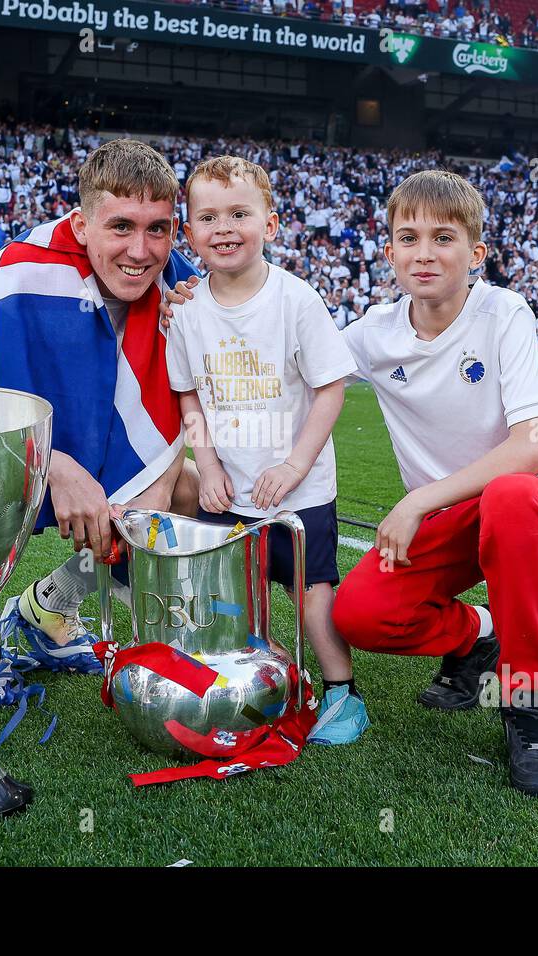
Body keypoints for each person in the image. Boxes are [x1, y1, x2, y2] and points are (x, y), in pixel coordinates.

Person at [330, 170, 538, 797]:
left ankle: (532, 708)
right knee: (359, 615)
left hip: (534, 509)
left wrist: (418, 497)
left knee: (511, 495)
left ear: (475, 254)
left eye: (443, 238)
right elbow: (292, 367)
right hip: (449, 525)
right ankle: (481, 634)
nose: (424, 253)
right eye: (407, 237)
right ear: (387, 251)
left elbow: (532, 448)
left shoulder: (503, 311)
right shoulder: (370, 334)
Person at [0, 138, 199, 673]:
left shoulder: (179, 283)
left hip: (108, 448)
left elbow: (184, 411)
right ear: (83, 227)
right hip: (29, 451)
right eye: (121, 227)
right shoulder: (21, 269)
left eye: (158, 228)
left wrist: (151, 497)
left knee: (191, 491)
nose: (141, 250)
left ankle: (52, 603)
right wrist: (52, 463)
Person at [162, 156, 366, 745]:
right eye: (208, 217)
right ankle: (257, 679)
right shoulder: (187, 311)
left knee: (311, 596)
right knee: (232, 601)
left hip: (297, 491)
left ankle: (341, 691)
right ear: (190, 233)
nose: (224, 228)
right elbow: (189, 400)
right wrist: (209, 467)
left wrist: (296, 464)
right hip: (228, 489)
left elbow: (331, 388)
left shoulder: (297, 300)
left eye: (239, 214)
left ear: (270, 225)